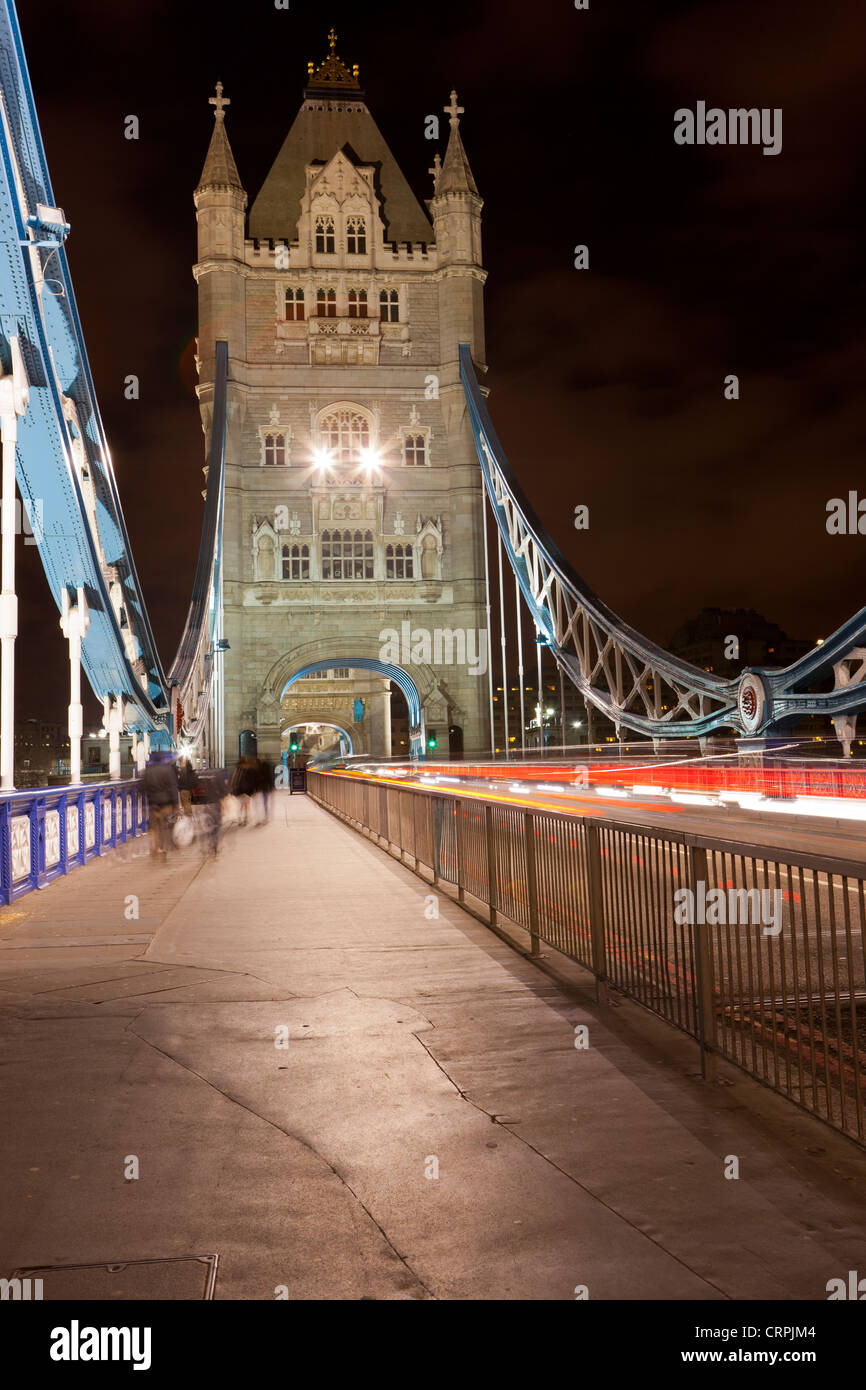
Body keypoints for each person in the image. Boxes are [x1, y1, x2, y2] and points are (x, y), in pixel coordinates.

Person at [140, 752, 179, 860]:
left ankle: (155, 848)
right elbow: (172, 787)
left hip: (153, 803)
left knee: (154, 826)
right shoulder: (167, 770)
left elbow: (141, 787)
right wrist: (175, 803)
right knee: (165, 826)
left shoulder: (147, 771)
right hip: (166, 803)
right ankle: (163, 847)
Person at [230, 756, 257, 825]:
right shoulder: (250, 769)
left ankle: (240, 819)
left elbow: (234, 779)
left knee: (241, 805)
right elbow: (252, 781)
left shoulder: (238, 769)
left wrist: (232, 788)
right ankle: (245, 818)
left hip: (239, 790)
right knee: (246, 805)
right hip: (247, 790)